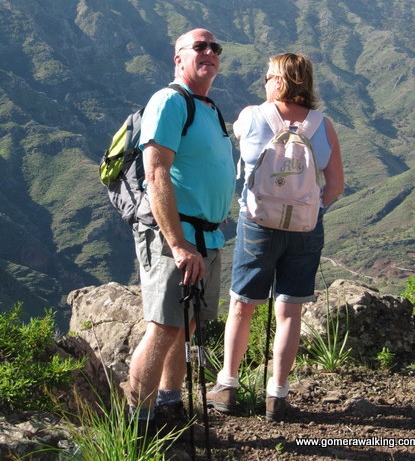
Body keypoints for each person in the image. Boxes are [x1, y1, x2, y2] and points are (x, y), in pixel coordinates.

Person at [206, 52, 344, 421]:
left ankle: (227, 386)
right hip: (305, 227)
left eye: (268, 76)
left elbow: (235, 137)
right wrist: (311, 210)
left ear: (280, 81)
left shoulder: (253, 116)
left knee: (242, 305)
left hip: (258, 223)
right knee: (289, 310)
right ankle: (277, 397)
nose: (264, 82)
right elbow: (336, 186)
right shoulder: (323, 125)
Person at [128, 29, 236, 437]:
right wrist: (176, 244)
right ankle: (135, 424)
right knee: (163, 326)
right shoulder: (170, 101)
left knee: (185, 324)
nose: (209, 53)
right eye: (199, 47)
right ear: (178, 58)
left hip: (206, 237)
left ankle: (169, 405)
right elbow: (156, 173)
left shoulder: (206, 105)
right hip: (179, 237)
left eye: (214, 48)